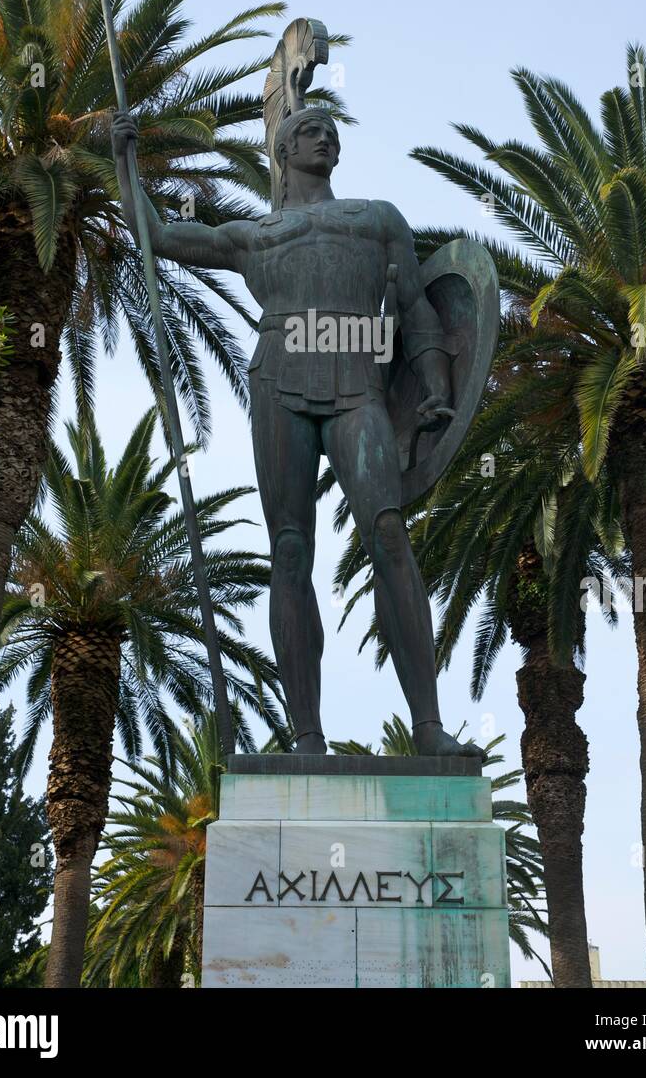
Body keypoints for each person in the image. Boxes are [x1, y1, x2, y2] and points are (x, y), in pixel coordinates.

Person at [112, 106, 483, 756]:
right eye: (308, 128)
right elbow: (158, 238)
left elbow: (416, 312)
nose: (323, 134)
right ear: (283, 150)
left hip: (357, 386)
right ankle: (305, 736)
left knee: (389, 534)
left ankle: (428, 727)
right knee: (288, 551)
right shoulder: (255, 235)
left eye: (330, 129)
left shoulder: (375, 220)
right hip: (278, 379)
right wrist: (124, 162)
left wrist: (436, 385)